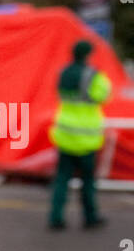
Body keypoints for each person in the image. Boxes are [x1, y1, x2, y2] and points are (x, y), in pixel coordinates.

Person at [48, 39, 111, 230]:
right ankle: (90, 216)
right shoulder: (92, 75)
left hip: (65, 134)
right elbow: (105, 95)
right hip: (86, 138)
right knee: (88, 181)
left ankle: (56, 217)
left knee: (61, 179)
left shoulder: (63, 73)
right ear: (88, 55)